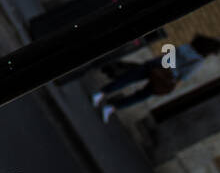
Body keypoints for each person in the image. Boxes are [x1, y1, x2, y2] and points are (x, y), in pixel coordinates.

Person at [91, 34, 220, 122]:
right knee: (141, 95)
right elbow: (185, 75)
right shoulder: (198, 60)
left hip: (159, 63)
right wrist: (173, 86)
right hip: (167, 76)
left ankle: (101, 93)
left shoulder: (189, 46)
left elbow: (170, 51)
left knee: (128, 78)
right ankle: (112, 107)